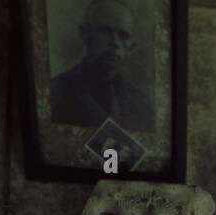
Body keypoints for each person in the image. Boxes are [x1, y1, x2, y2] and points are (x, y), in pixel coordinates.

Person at [50, 0, 155, 132]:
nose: (115, 42)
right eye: (105, 31)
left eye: (123, 35)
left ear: (130, 47)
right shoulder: (56, 93)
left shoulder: (142, 105)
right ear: (85, 34)